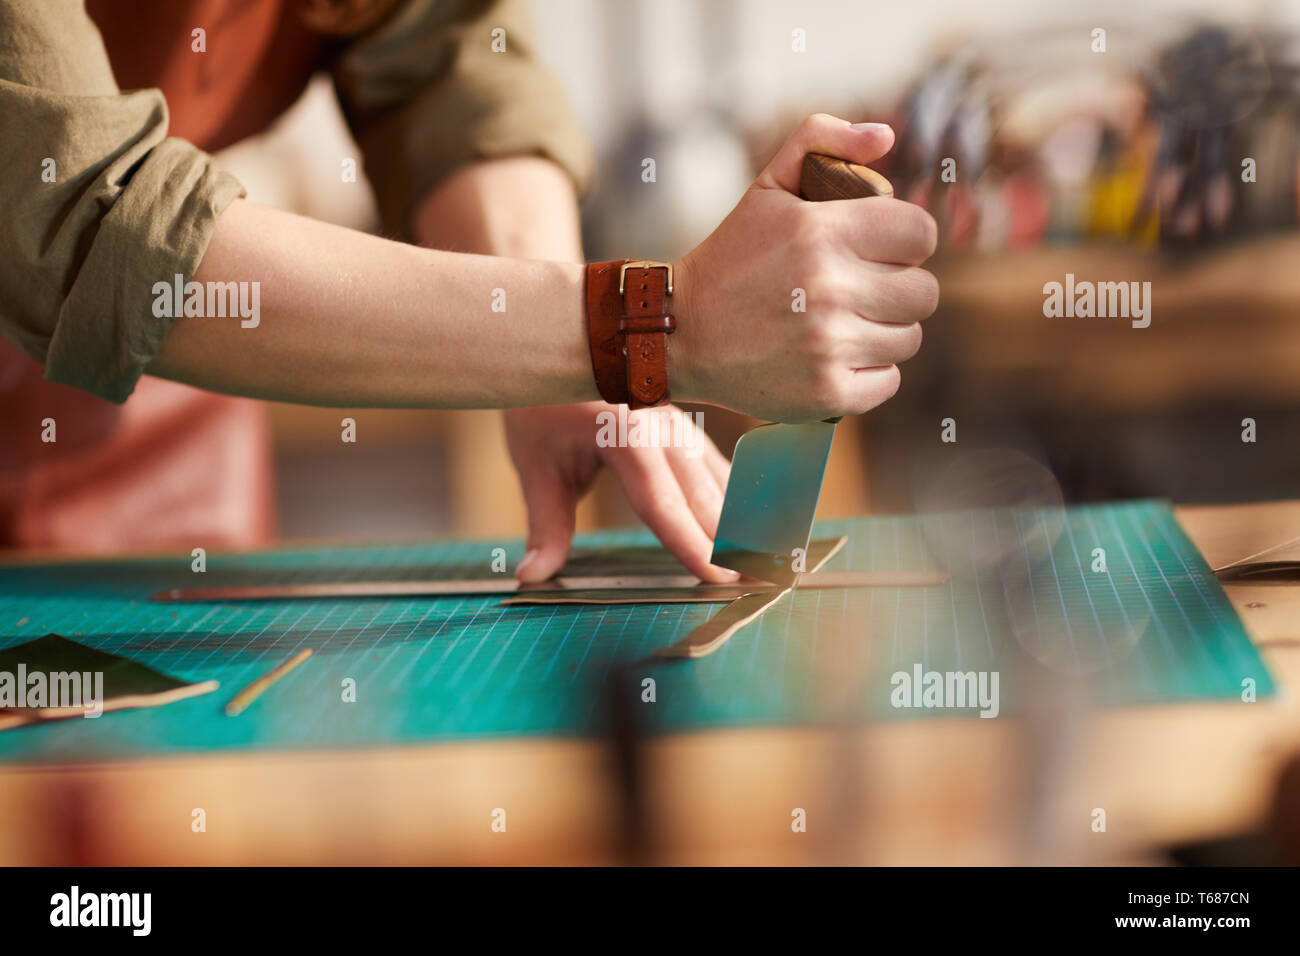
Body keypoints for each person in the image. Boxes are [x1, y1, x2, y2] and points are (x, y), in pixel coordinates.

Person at [0, 0, 938, 583]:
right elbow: (78, 212)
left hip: (147, 390)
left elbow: (449, 59)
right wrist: (641, 324)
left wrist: (555, 359)